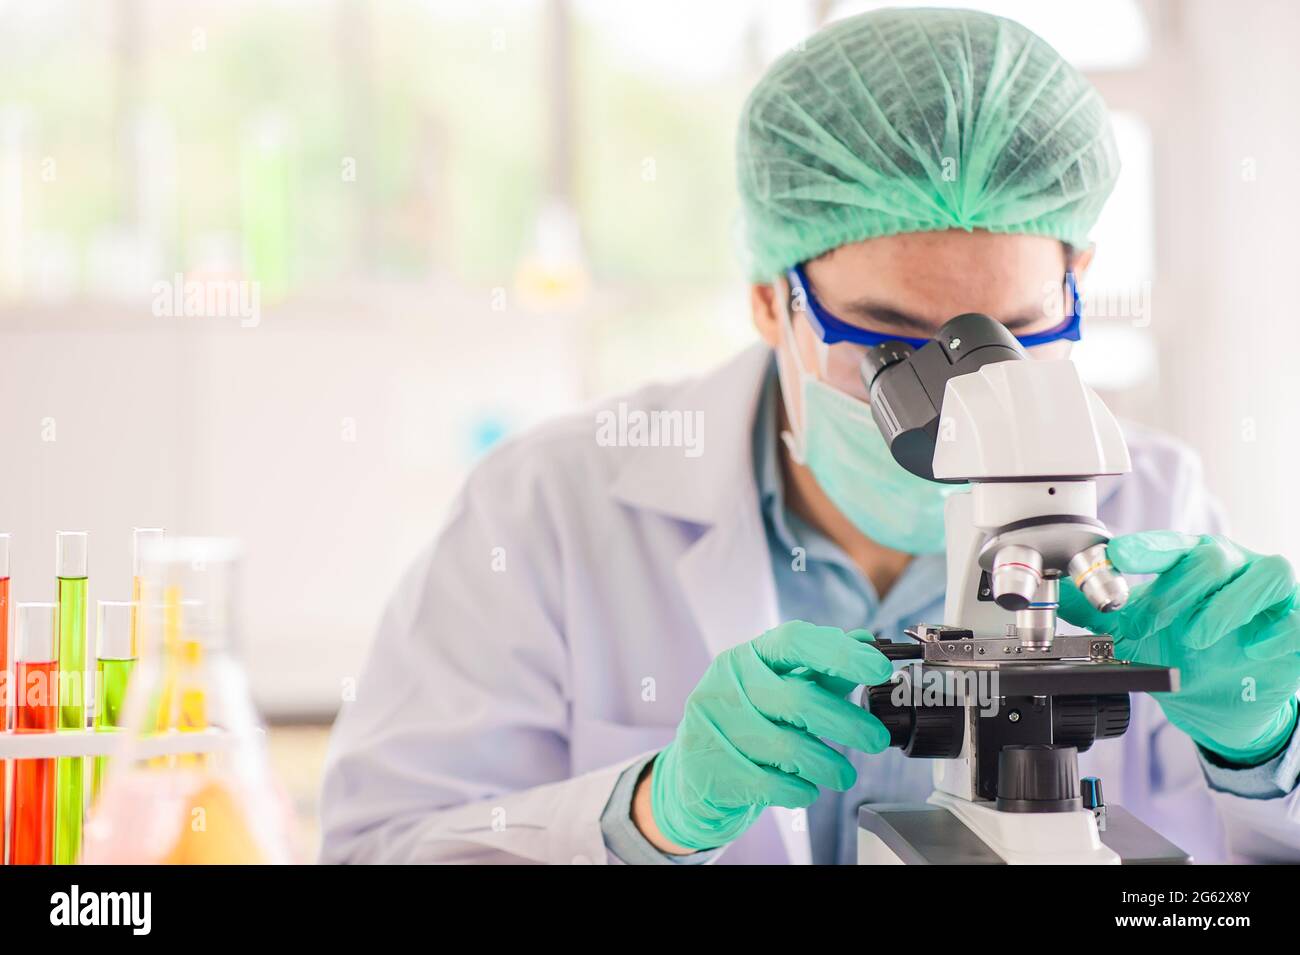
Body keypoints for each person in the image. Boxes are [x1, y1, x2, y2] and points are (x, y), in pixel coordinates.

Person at [319, 8, 1300, 864]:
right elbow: (378, 851)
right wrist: (648, 817)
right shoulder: (547, 511)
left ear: (1076, 273)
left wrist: (1263, 751)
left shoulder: (1154, 500)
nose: (963, 394)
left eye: (1018, 332)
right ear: (768, 301)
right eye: (893, 344)